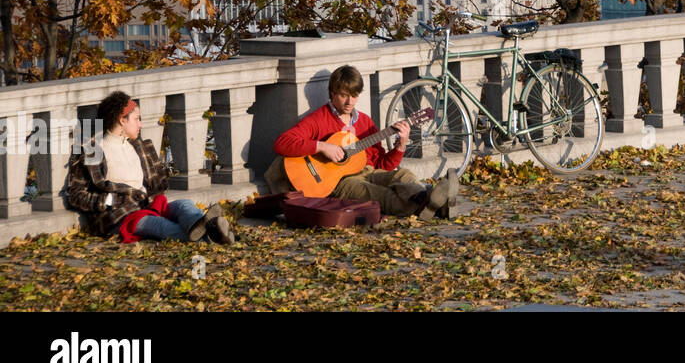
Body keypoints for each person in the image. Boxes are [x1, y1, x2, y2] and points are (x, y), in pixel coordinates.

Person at [266, 64, 457, 218]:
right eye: (343, 95)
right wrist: (322, 146)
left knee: (402, 176)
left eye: (354, 95)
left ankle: (427, 199)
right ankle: (437, 204)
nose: (349, 102)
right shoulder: (318, 119)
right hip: (339, 182)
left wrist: (401, 144)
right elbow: (282, 143)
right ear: (332, 93)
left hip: (368, 171)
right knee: (381, 195)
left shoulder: (365, 122)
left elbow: (384, 165)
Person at [66, 91, 235, 244]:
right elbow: (76, 195)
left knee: (184, 205)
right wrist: (108, 201)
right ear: (122, 120)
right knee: (161, 225)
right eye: (136, 119)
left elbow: (156, 184)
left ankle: (207, 227)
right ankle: (213, 236)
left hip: (147, 204)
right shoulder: (92, 151)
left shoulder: (137, 147)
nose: (140, 124)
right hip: (120, 216)